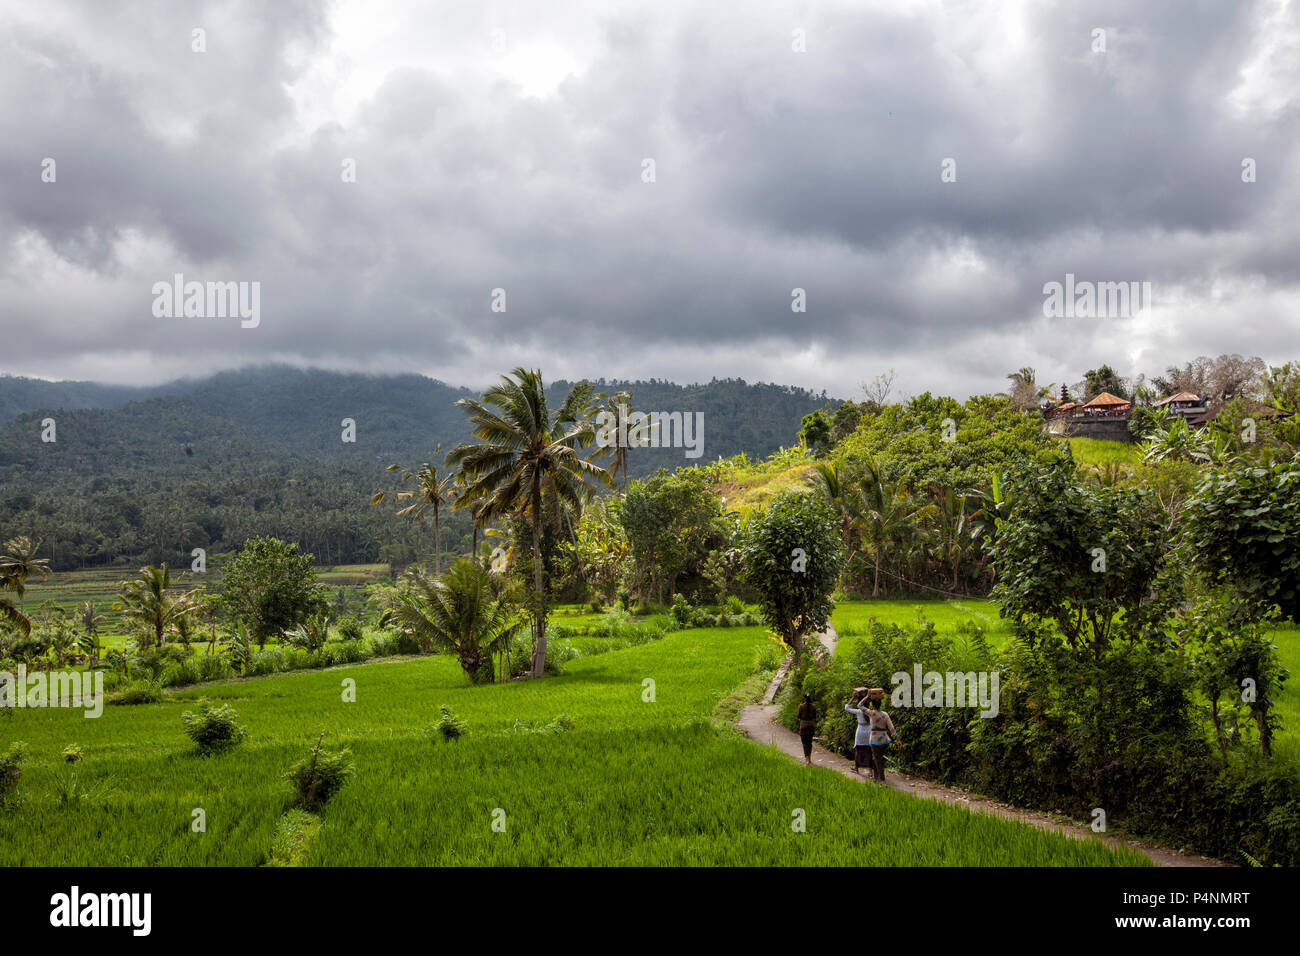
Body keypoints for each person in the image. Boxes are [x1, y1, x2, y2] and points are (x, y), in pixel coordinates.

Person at [845, 689, 897, 782]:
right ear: (880, 704)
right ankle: (875, 776)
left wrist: (867, 696)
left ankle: (882, 780)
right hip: (885, 739)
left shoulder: (870, 713)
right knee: (879, 758)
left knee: (876, 758)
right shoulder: (885, 714)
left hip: (873, 738)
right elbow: (892, 728)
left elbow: (858, 705)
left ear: (872, 705)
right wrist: (897, 739)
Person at [796, 693, 817, 764]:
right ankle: (809, 758)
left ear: (804, 698)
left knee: (804, 743)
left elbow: (798, 716)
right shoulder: (813, 706)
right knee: (809, 743)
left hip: (803, 726)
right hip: (811, 726)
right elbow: (814, 716)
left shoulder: (801, 706)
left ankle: (807, 760)